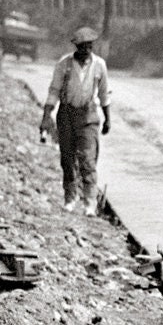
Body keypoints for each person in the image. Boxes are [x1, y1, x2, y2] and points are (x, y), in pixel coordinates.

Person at [39, 27, 112, 213]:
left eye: (89, 46)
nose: (86, 51)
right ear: (76, 47)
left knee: (88, 160)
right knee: (68, 159)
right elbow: (54, 90)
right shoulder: (64, 64)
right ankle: (70, 198)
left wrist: (107, 119)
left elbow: (104, 94)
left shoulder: (99, 65)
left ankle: (90, 202)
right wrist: (46, 116)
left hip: (88, 116)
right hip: (66, 115)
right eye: (82, 47)